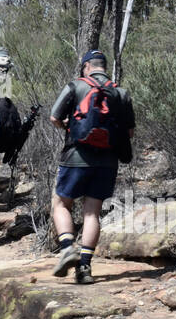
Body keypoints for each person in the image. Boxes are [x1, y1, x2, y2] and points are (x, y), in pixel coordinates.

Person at [49, 50, 134, 284]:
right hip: (107, 161)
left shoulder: (76, 86)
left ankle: (67, 247)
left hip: (76, 156)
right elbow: (129, 132)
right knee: (92, 212)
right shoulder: (121, 93)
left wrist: (69, 126)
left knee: (61, 203)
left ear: (86, 67)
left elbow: (54, 117)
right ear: (104, 67)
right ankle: (84, 268)